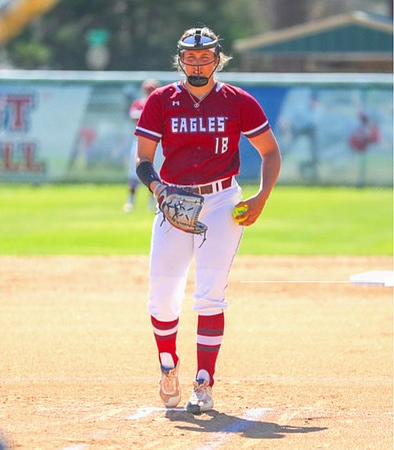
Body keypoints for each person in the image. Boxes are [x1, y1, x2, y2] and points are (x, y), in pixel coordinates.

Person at [133, 27, 281, 414]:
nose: (197, 63)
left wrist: (262, 196)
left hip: (220, 201)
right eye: (190, 57)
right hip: (174, 201)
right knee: (162, 297)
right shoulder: (162, 101)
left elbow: (269, 151)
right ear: (180, 59)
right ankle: (168, 367)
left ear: (218, 58)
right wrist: (158, 189)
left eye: (205, 56)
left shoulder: (238, 101)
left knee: (210, 293)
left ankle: (204, 381)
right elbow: (143, 160)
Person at [124, 78, 159, 213]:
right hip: (139, 141)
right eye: (147, 89)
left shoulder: (158, 102)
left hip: (157, 142)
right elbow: (133, 116)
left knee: (154, 172)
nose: (149, 92)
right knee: (134, 171)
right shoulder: (139, 103)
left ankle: (152, 202)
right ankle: (130, 200)